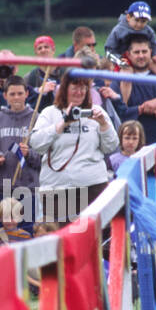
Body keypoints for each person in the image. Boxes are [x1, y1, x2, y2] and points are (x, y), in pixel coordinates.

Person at [29, 73, 118, 223]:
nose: (79, 92)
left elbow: (111, 147)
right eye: (75, 88)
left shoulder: (96, 112)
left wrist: (104, 125)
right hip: (57, 189)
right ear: (65, 89)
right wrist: (62, 124)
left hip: (93, 186)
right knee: (61, 240)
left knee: (94, 240)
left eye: (83, 88)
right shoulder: (50, 113)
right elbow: (37, 144)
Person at [0, 75, 40, 215]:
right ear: (5, 95)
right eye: (12, 94)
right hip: (3, 187)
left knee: (27, 231)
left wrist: (29, 154)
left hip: (29, 187)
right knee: (4, 231)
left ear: (27, 94)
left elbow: (45, 154)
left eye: (20, 93)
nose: (16, 97)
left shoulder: (37, 118)